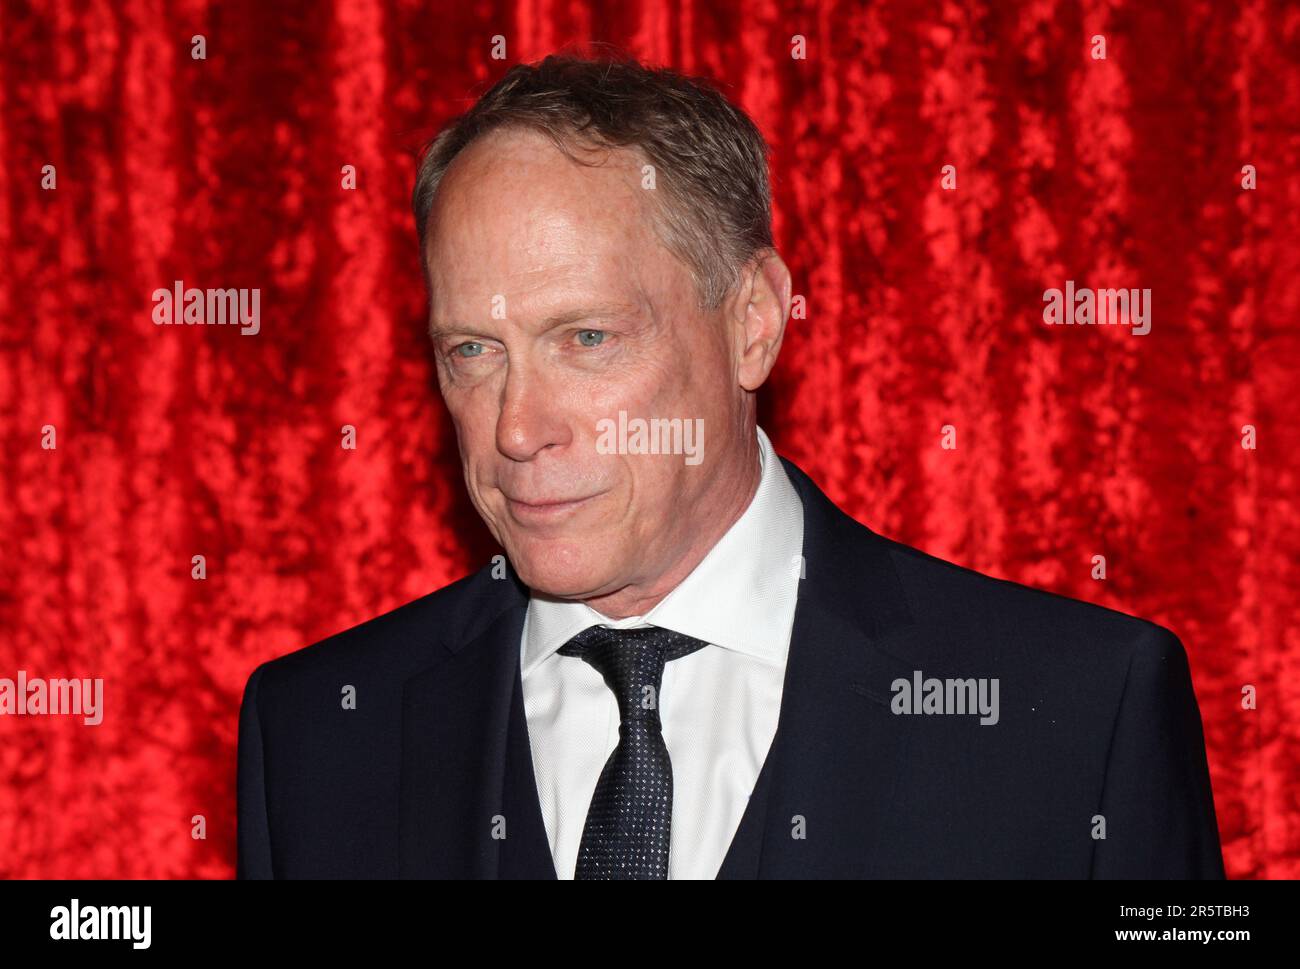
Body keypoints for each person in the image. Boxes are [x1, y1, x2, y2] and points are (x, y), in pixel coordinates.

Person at [237, 53, 1225, 879]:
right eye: (472, 352)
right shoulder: (318, 736)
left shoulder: (1076, 719)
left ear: (753, 322)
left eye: (585, 337)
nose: (514, 429)